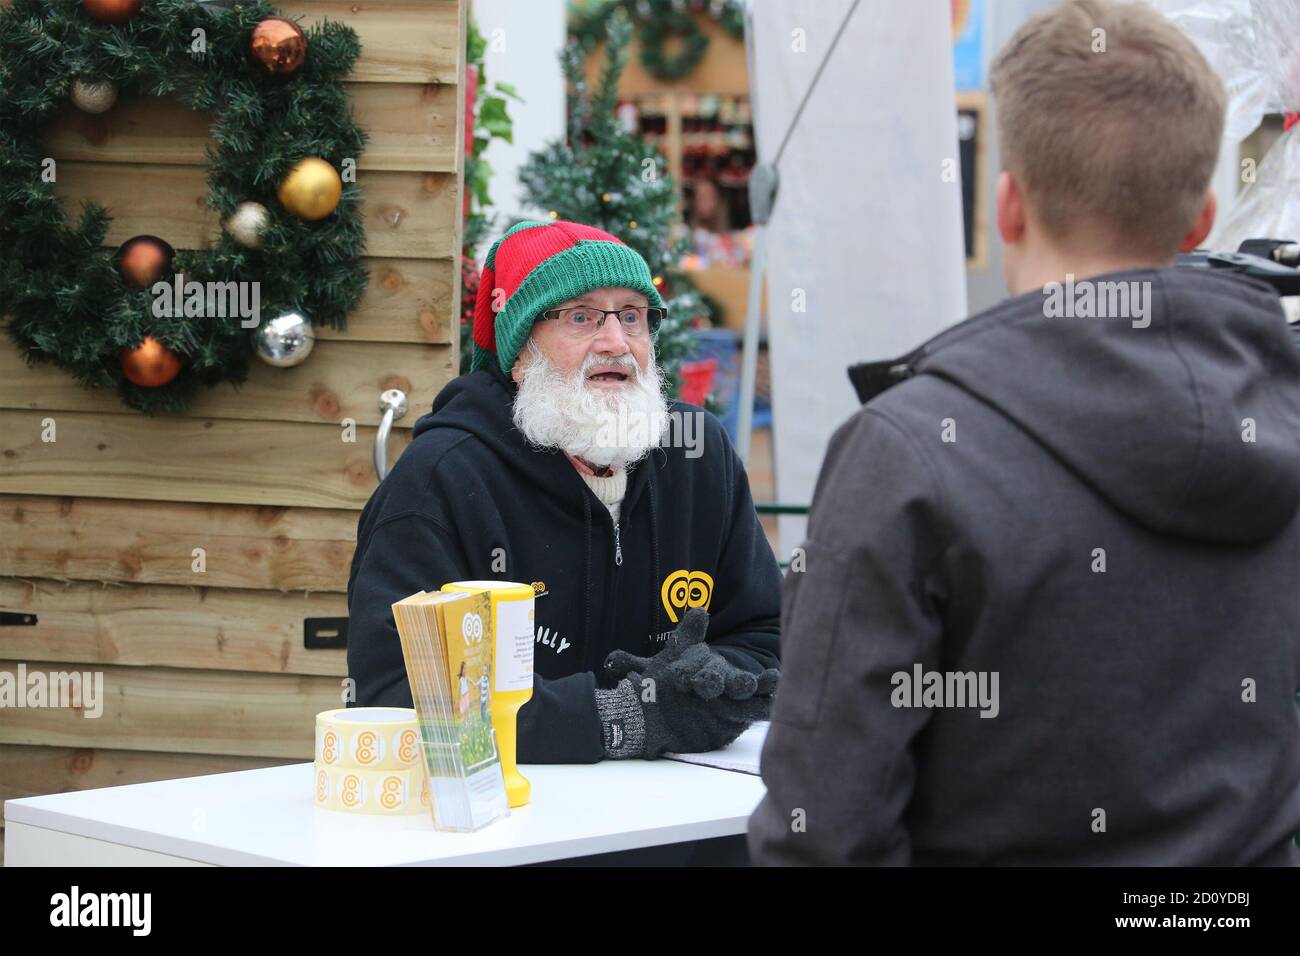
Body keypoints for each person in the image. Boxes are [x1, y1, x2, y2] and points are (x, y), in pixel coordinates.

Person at [750, 0, 1300, 865]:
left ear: (1007, 204)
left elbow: (824, 830)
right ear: (1199, 223)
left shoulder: (909, 452)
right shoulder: (1277, 417)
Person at [347, 219, 780, 762]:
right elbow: (396, 693)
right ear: (521, 352)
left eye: (632, 316)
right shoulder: (443, 480)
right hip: (514, 826)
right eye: (581, 317)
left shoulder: (700, 454)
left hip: (686, 813)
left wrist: (709, 686)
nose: (617, 343)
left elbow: (767, 633)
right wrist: (620, 718)